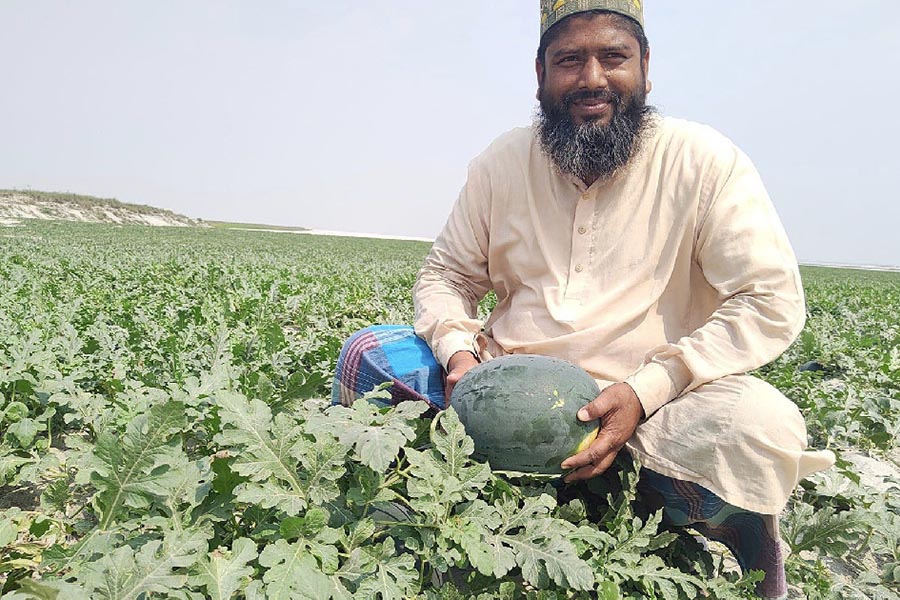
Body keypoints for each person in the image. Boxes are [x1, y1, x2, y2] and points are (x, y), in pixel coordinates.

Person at [333, 2, 834, 597]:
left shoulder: (704, 161)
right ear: (540, 73)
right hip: (504, 387)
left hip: (651, 408)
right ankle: (395, 524)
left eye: (613, 57)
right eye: (570, 60)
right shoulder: (502, 162)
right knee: (368, 353)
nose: (591, 78)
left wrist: (648, 389)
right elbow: (446, 276)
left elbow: (768, 297)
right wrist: (459, 356)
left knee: (756, 426)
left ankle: (742, 573)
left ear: (646, 68)